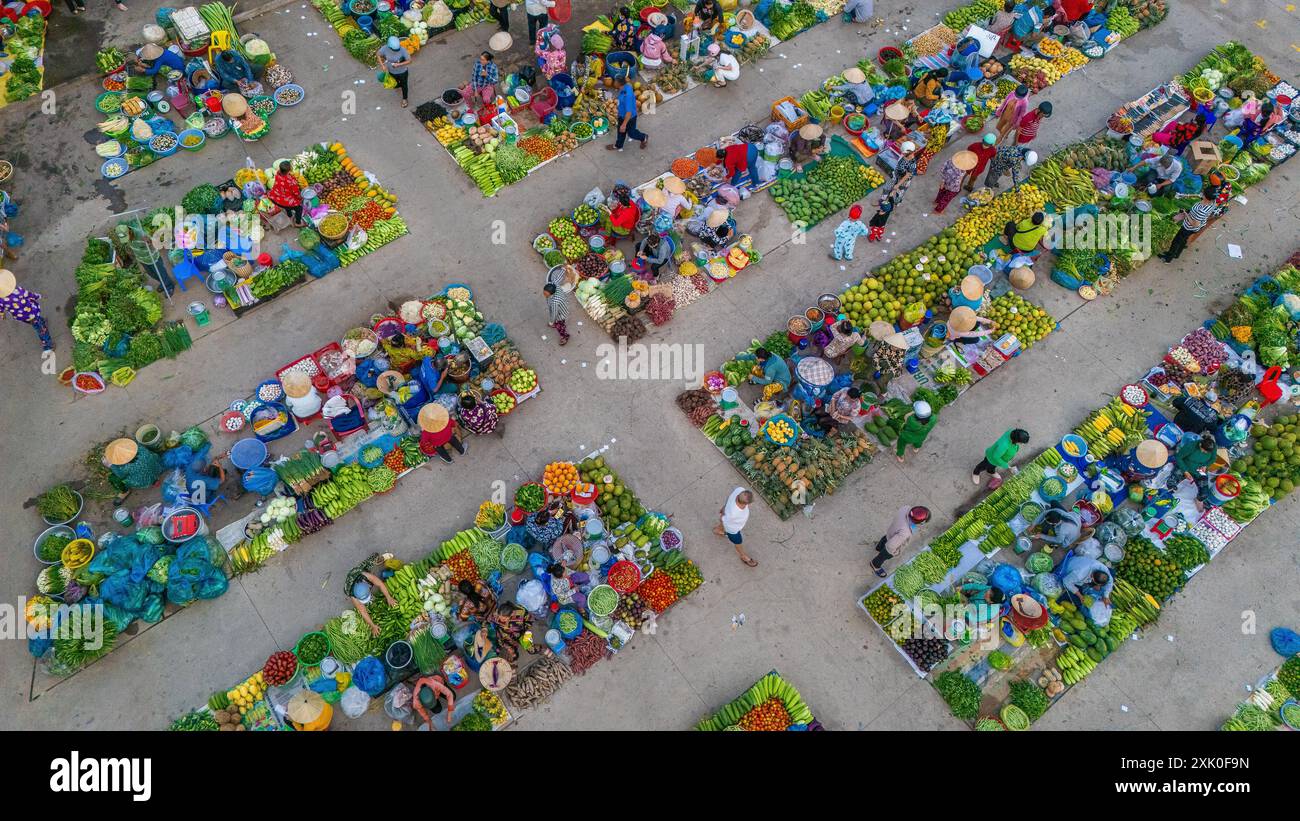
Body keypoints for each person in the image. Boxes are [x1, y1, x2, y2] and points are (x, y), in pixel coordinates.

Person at [1158, 187, 1221, 263]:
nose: (1201, 193)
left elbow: (1195, 224)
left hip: (1189, 228)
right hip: (1198, 223)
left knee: (1176, 241)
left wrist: (1185, 214)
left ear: (1205, 196)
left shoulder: (1202, 211)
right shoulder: (1212, 200)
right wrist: (1185, 195)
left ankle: (1168, 258)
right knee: (1183, 240)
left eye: (1203, 193)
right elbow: (1199, 195)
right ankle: (1177, 254)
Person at [869, 505, 930, 577]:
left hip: (892, 531)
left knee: (886, 538)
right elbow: (891, 546)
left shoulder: (906, 508)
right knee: (884, 555)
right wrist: (894, 553)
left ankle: (878, 547)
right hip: (892, 544)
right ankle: (875, 564)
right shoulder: (905, 532)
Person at [0, 269, 53, 352]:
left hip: (21, 317)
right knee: (41, 330)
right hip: (32, 313)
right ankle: (48, 346)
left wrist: (2, 315)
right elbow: (30, 295)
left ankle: (42, 322)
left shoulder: (0, 300)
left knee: (36, 322)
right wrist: (38, 296)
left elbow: (1, 309)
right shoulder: (18, 290)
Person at [346, 552, 397, 637]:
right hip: (351, 579)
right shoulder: (353, 595)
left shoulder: (365, 576)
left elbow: (380, 584)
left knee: (370, 562)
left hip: (358, 572)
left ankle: (380, 558)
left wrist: (388, 597)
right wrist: (372, 625)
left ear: (368, 586)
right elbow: (363, 611)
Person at [714, 487, 757, 566]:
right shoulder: (733, 513)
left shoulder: (739, 490)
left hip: (730, 521)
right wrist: (724, 514)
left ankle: (718, 530)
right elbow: (723, 519)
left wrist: (724, 508)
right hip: (733, 530)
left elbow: (729, 500)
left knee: (725, 523)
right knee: (738, 542)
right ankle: (743, 556)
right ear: (745, 504)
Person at [607, 75, 648, 151]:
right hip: (621, 115)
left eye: (615, 81)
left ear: (619, 83)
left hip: (629, 118)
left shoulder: (627, 95)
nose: (613, 82)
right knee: (620, 133)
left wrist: (624, 124)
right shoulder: (625, 87)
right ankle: (618, 145)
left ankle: (643, 137)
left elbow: (628, 112)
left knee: (631, 133)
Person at [267, 161, 306, 228]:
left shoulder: (277, 174)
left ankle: (290, 215)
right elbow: (296, 194)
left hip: (275, 198)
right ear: (290, 169)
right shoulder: (291, 181)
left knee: (286, 203)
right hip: (284, 202)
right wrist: (301, 198)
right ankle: (298, 223)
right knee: (299, 208)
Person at [378, 35, 412, 108]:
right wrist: (382, 65)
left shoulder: (403, 50)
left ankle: (405, 99)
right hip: (391, 71)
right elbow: (378, 55)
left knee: (404, 85)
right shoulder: (385, 48)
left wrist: (399, 64)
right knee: (394, 84)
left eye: (398, 48)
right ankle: (400, 85)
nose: (397, 50)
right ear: (389, 46)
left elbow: (409, 61)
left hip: (403, 72)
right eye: (395, 50)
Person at [543, 280, 574, 345]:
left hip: (560, 314)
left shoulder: (555, 302)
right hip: (563, 305)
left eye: (546, 294)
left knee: (560, 326)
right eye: (544, 292)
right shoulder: (554, 285)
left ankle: (565, 336)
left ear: (552, 294)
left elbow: (554, 314)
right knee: (559, 323)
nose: (544, 295)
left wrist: (551, 322)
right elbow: (556, 279)